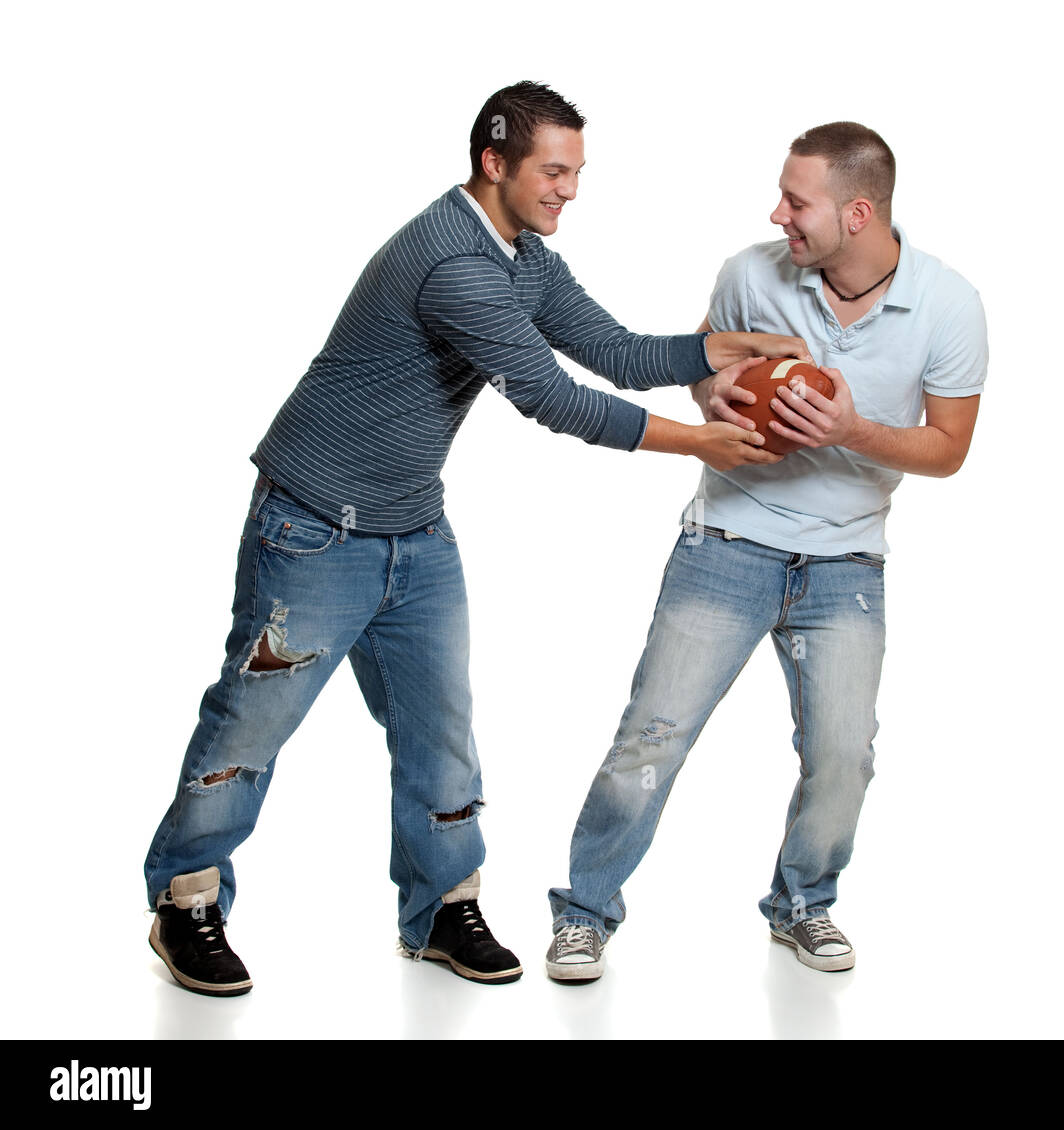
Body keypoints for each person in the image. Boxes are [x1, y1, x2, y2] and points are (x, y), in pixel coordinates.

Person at [142, 80, 808, 996]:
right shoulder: (453, 263)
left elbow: (610, 350)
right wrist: (699, 439)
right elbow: (553, 398)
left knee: (440, 730)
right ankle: (186, 903)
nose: (570, 189)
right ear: (494, 164)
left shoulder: (521, 254)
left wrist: (716, 350)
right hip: (312, 528)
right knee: (252, 725)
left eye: (577, 171)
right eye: (554, 171)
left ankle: (443, 907)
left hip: (413, 527)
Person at [546, 121, 988, 979]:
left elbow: (949, 449)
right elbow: (705, 363)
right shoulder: (751, 272)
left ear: (858, 213)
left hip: (846, 565)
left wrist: (853, 429)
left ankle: (802, 906)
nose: (777, 214)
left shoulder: (950, 304)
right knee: (651, 736)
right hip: (728, 542)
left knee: (842, 756)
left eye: (798, 201)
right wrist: (717, 399)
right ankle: (586, 913)